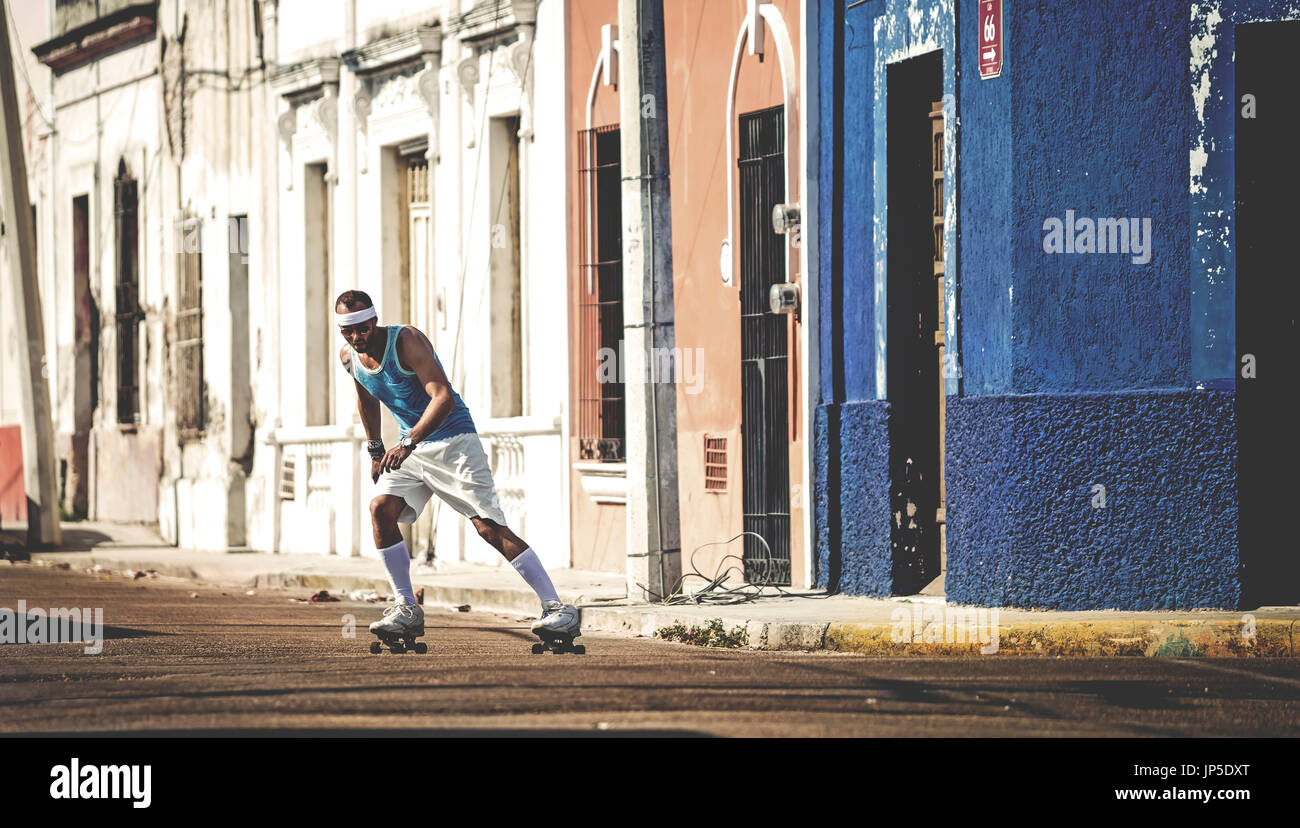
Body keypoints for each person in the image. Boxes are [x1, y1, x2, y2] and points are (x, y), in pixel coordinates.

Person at [334, 289, 580, 643]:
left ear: (374, 320)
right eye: (348, 331)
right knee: (380, 509)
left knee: (487, 528)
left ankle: (558, 609)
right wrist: (376, 448)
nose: (357, 337)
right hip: (412, 447)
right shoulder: (350, 357)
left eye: (363, 328)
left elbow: (443, 397)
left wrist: (406, 443)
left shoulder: (407, 340)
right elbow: (366, 396)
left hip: (453, 442)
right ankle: (406, 608)